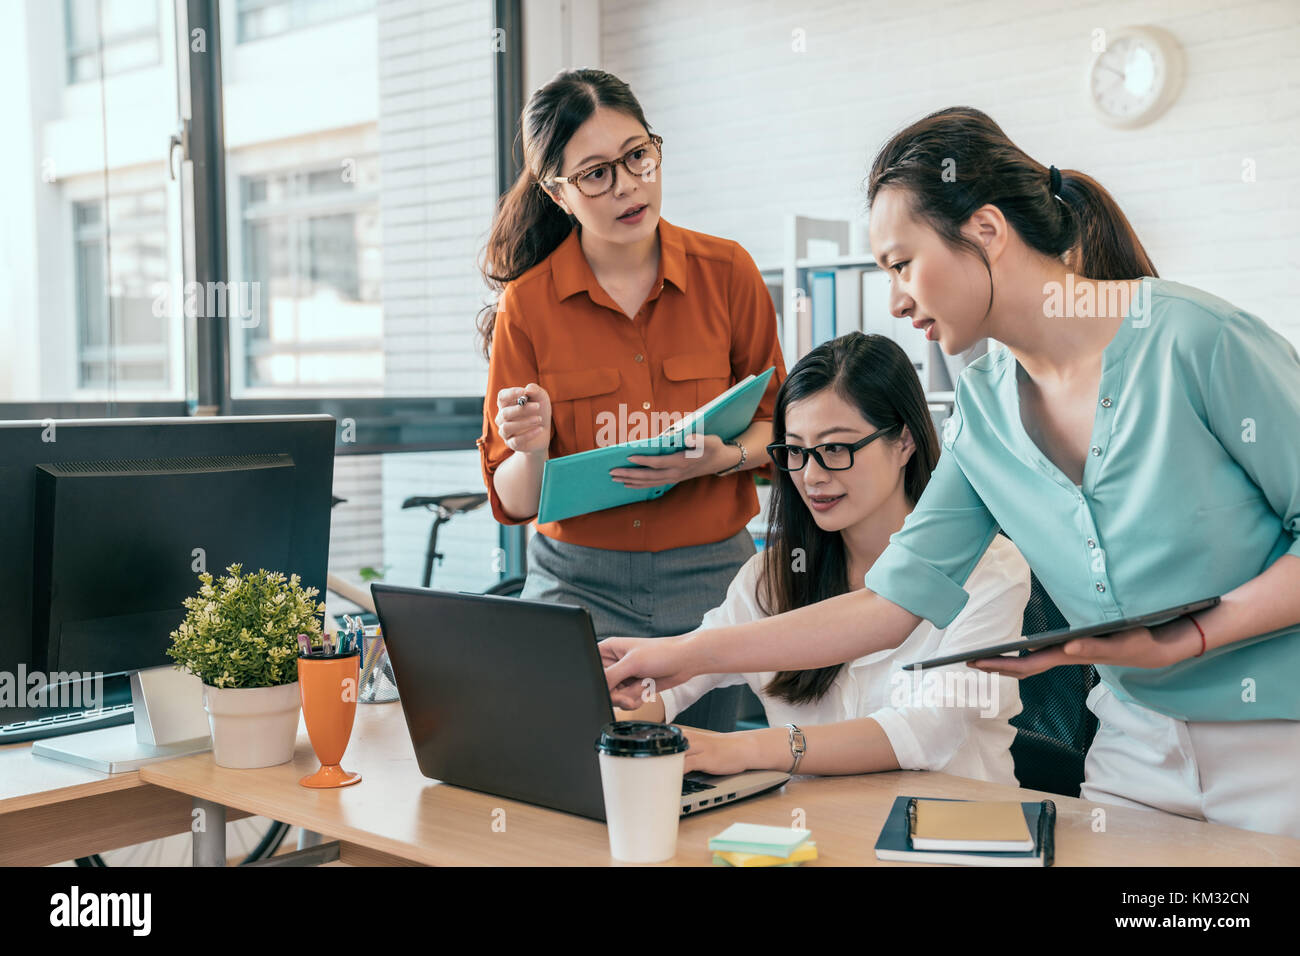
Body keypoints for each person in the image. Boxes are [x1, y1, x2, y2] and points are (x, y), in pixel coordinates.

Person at [602, 106, 1300, 837]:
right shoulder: (985, 409)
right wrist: (682, 654)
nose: (897, 298)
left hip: (1276, 733)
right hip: (1133, 745)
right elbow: (891, 604)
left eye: (902, 263)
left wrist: (1187, 637)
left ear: (987, 231)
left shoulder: (1197, 341)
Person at [476, 69, 787, 731]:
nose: (628, 186)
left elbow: (781, 429)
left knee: (701, 782)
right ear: (557, 192)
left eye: (637, 156)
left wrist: (721, 458)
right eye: (595, 173)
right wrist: (532, 450)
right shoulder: (526, 307)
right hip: (578, 588)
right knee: (576, 788)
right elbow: (516, 498)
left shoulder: (728, 272)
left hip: (713, 583)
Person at [616, 332, 1029, 783]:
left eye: (835, 448)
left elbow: (928, 730)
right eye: (795, 451)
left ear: (905, 441)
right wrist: (618, 697)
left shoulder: (990, 569)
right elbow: (678, 681)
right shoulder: (772, 575)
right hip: (812, 838)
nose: (811, 475)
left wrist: (745, 748)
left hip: (949, 835)